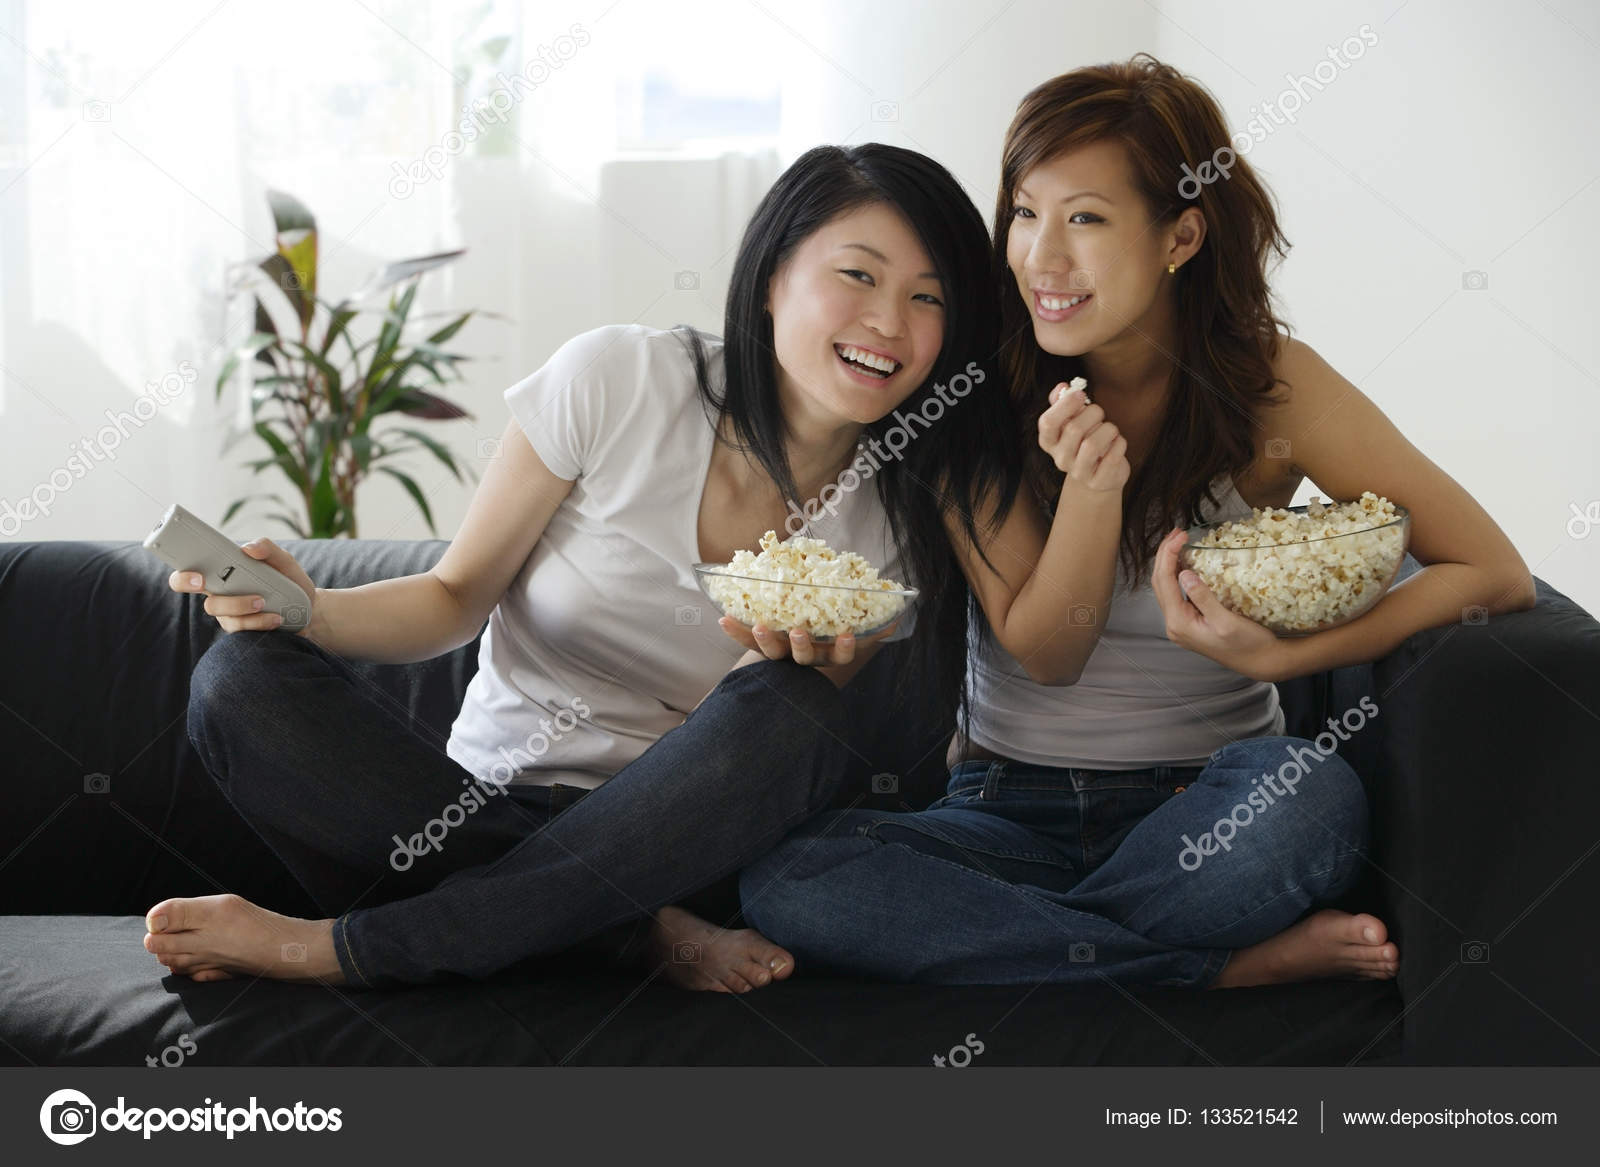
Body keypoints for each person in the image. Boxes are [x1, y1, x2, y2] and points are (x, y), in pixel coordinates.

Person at [140, 142, 1092, 991]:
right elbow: (452, 598)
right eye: (858, 274)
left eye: (929, 297)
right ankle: (627, 935)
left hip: (691, 850)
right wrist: (311, 609)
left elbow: (800, 752)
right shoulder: (619, 381)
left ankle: (342, 949)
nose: (890, 321)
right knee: (237, 683)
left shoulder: (914, 501)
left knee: (792, 705)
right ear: (770, 277)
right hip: (472, 809)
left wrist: (816, 661)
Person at [738, 56, 1537, 990]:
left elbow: (1492, 570)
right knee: (795, 877)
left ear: (1181, 235)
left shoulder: (1272, 387)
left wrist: (1285, 659)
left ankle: (1039, 951)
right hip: (1003, 808)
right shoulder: (974, 387)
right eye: (1025, 212)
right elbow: (1048, 651)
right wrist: (1090, 489)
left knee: (1309, 800)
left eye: (1084, 218)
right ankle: (1204, 968)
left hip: (1210, 800)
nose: (1040, 257)